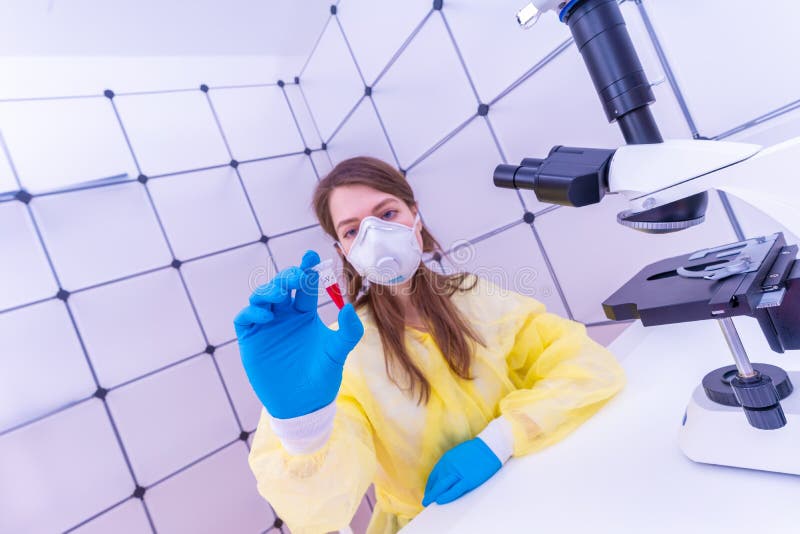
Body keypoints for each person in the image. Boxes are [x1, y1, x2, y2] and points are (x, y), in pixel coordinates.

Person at [235, 156, 626, 534]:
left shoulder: (475, 298)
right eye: (352, 230)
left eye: (387, 214)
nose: (374, 235)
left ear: (415, 220)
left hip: (527, 487)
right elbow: (322, 511)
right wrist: (304, 430)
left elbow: (585, 366)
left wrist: (500, 440)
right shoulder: (343, 350)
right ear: (344, 253)